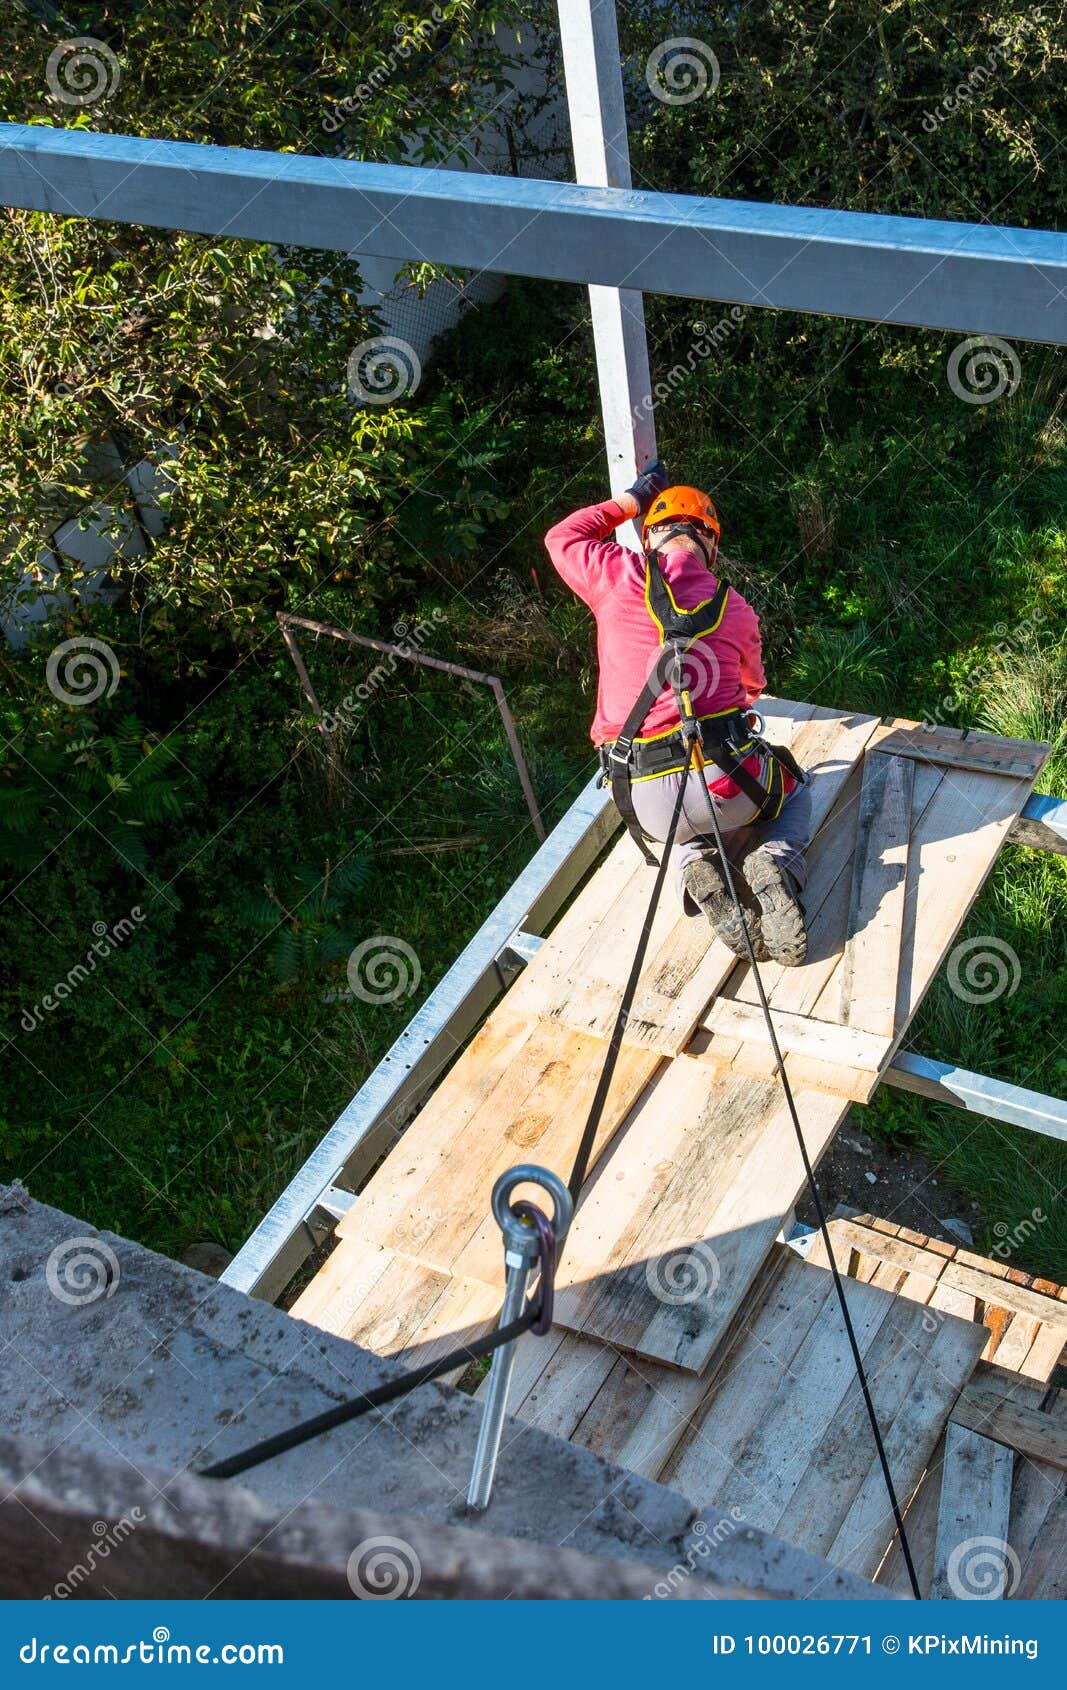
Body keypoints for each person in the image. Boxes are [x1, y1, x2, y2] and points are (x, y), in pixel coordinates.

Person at [544, 461, 810, 965]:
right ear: (710, 543)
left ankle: (694, 865)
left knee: (680, 826)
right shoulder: (735, 608)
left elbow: (562, 536)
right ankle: (777, 864)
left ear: (650, 536)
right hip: (728, 782)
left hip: (643, 799)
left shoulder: (615, 574)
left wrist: (633, 497)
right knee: (794, 791)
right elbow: (753, 685)